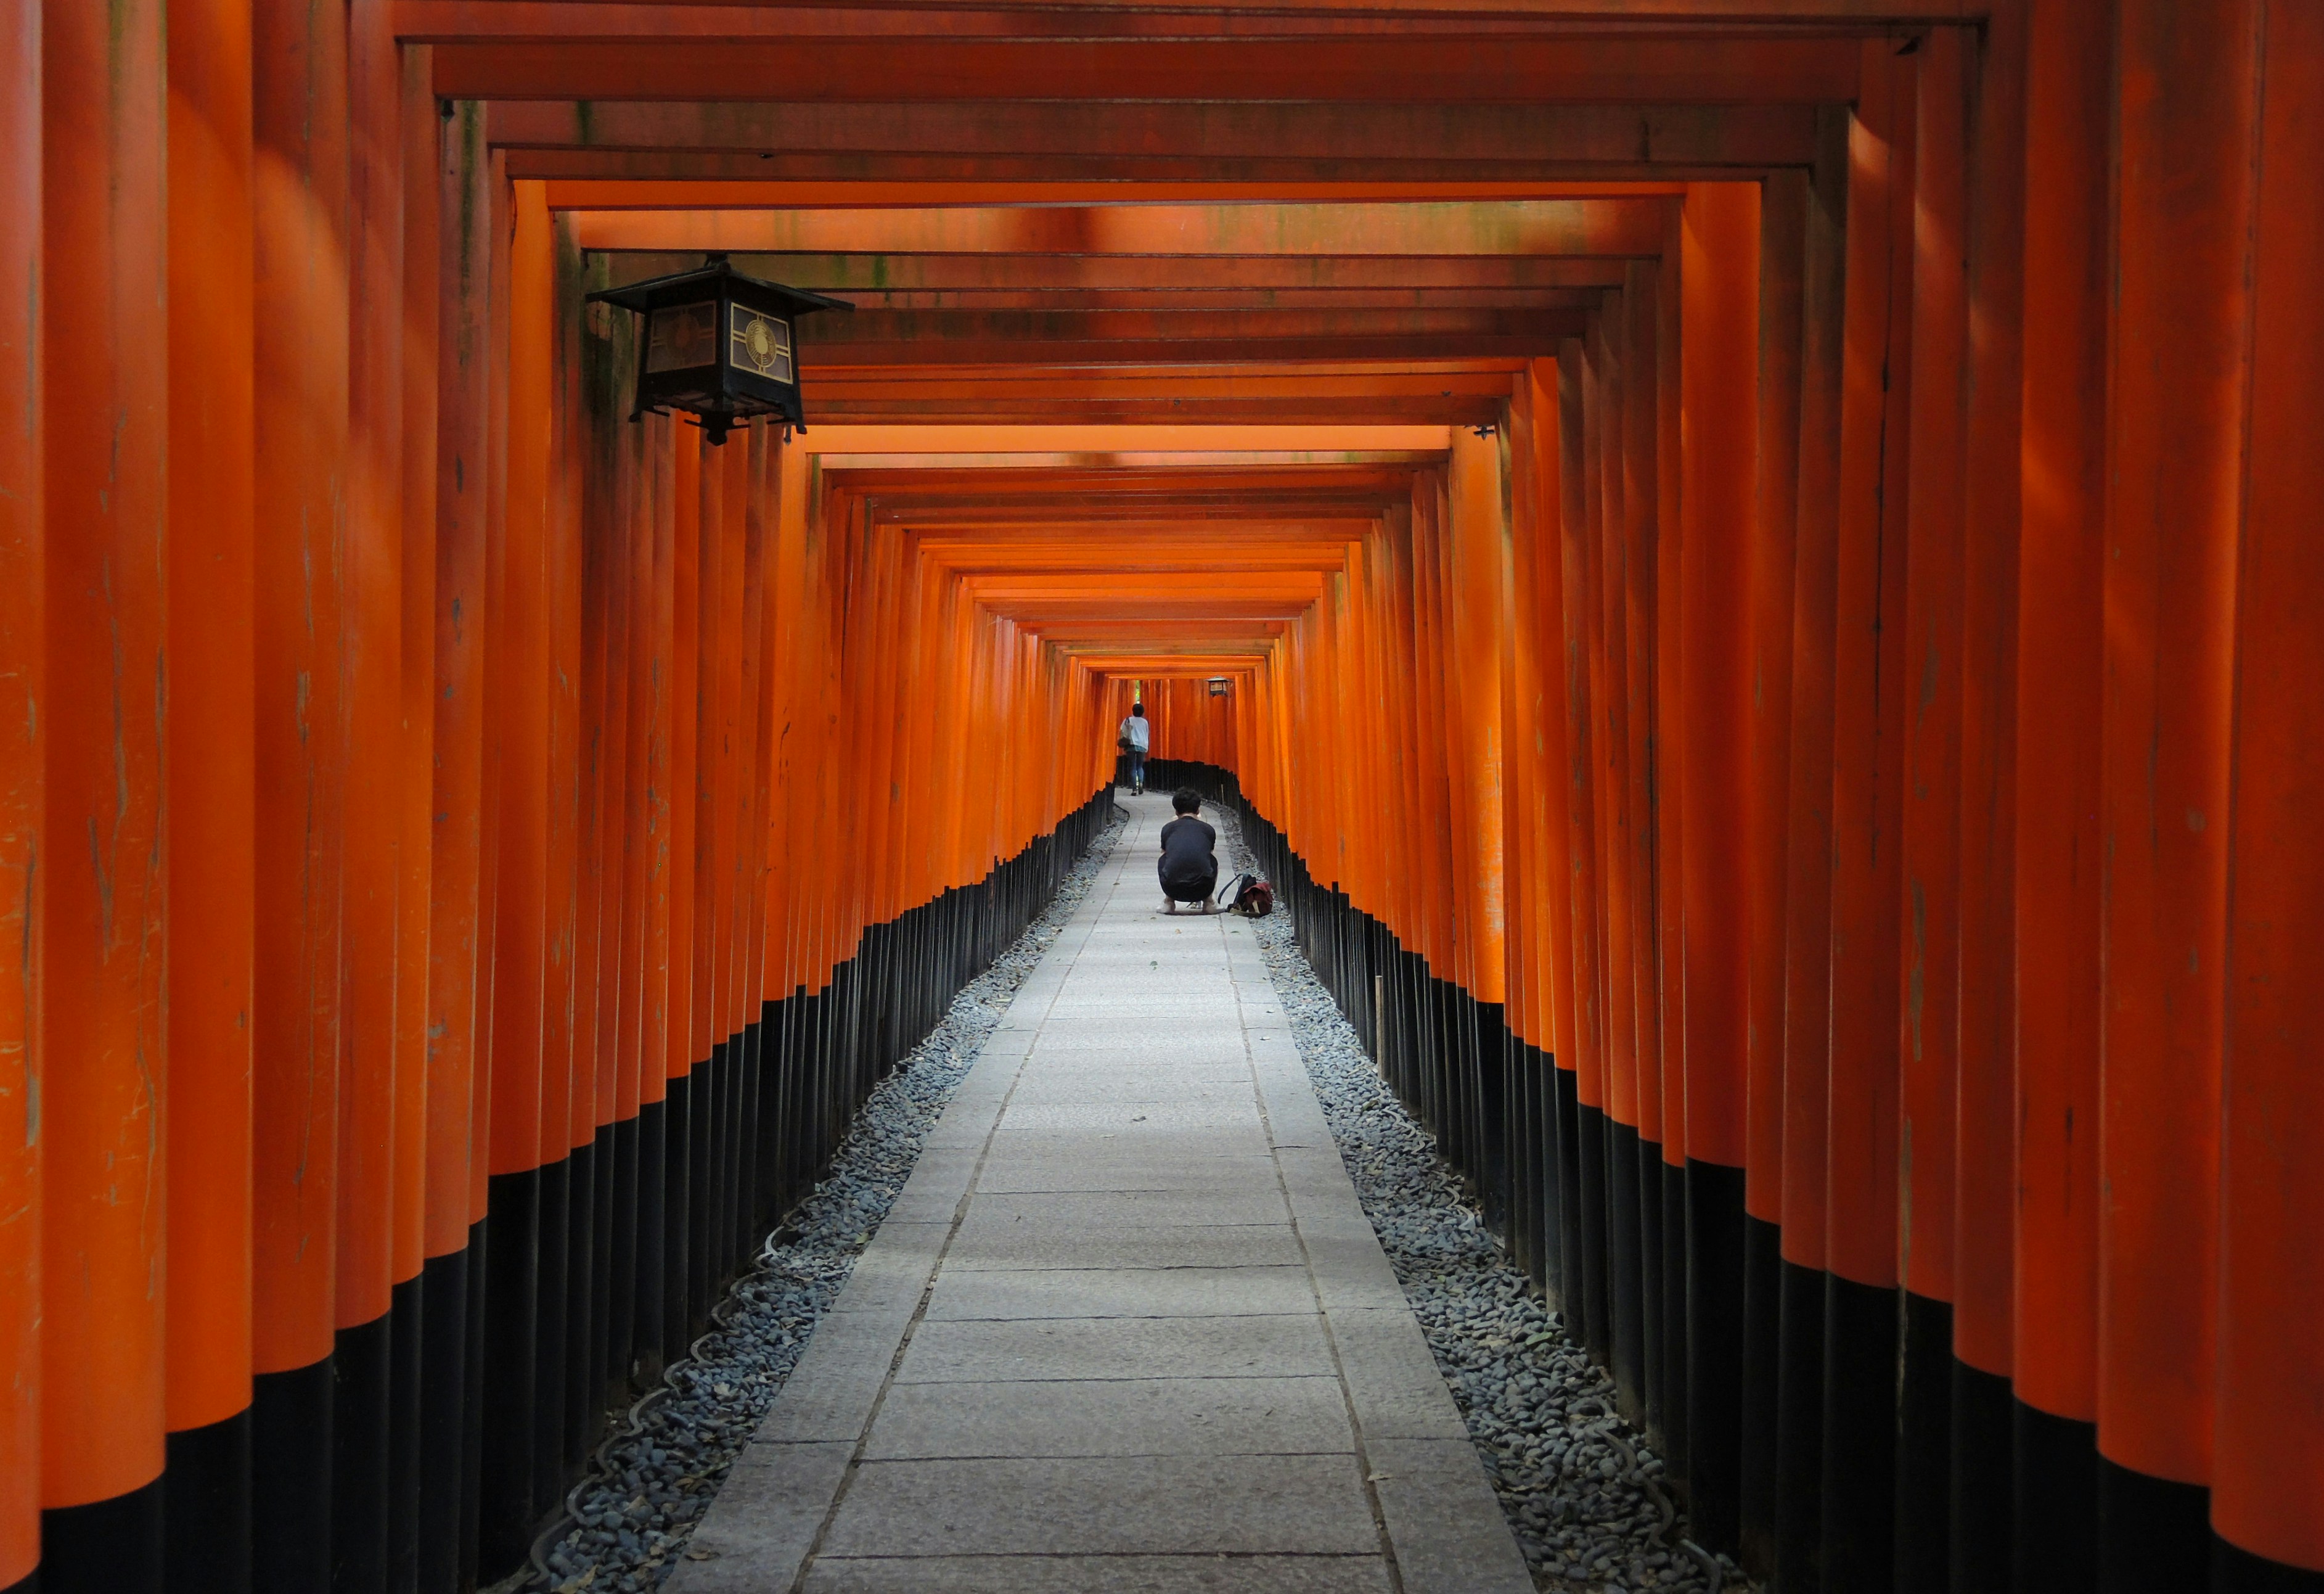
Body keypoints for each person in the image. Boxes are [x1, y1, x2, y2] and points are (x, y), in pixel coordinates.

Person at [1157, 787, 1219, 913]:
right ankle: (1209, 902)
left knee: (1164, 857)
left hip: (1172, 888)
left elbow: (1166, 854)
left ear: (1176, 811)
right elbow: (1207, 856)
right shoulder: (1208, 830)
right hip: (1203, 888)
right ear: (1198, 810)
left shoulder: (1168, 829)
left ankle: (1169, 902)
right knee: (1211, 859)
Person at [1119, 700, 1151, 795]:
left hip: (1131, 745)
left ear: (1133, 711)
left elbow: (1122, 730)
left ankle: (1134, 789)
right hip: (1142, 745)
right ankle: (1141, 783)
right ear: (1143, 712)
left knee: (1132, 767)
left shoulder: (1128, 720)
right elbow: (1146, 733)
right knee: (1140, 766)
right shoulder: (1145, 722)